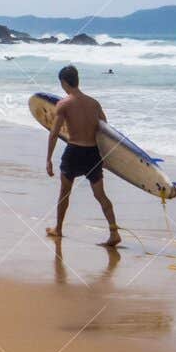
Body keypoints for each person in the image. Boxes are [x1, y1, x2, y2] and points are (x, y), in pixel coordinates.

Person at [44, 64, 120, 248]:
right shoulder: (94, 103)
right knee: (101, 195)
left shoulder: (64, 104)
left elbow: (54, 133)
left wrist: (48, 159)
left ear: (63, 82)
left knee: (64, 193)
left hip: (74, 152)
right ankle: (114, 232)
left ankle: (58, 228)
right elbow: (105, 129)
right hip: (93, 153)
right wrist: (107, 157)